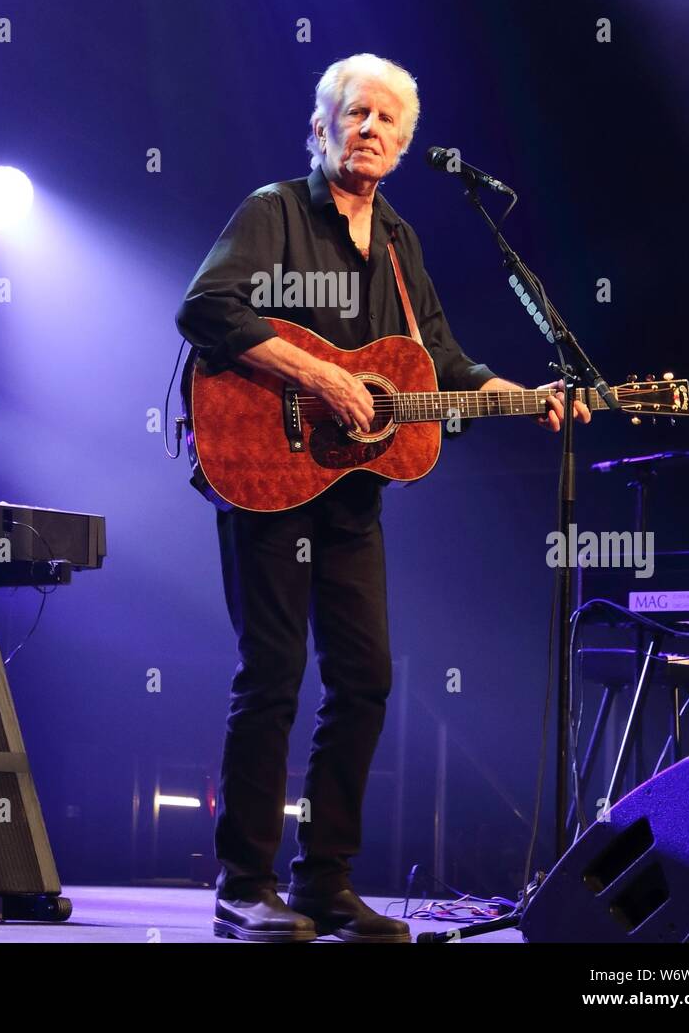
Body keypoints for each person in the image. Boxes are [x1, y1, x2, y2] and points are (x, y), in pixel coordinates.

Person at [176, 53, 589, 943]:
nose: (369, 131)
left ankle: (323, 882)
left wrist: (521, 394)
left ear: (403, 148)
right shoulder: (274, 210)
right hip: (263, 470)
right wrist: (321, 376)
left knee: (363, 681)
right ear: (320, 127)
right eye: (355, 114)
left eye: (386, 123)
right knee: (273, 677)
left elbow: (436, 361)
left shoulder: (399, 242)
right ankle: (243, 883)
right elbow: (206, 308)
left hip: (349, 492)